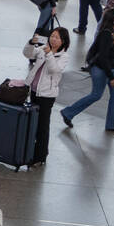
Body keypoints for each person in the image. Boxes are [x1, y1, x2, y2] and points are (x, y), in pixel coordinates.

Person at [61, 7, 114, 134]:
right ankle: (68, 112)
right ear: (112, 20)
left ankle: (112, 123)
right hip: (101, 68)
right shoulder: (106, 34)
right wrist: (111, 76)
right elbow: (102, 58)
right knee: (96, 95)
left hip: (112, 66)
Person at [21, 26, 71, 166]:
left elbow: (54, 69)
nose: (53, 39)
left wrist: (49, 54)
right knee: (33, 123)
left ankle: (40, 155)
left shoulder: (64, 56)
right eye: (52, 36)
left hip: (47, 95)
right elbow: (27, 54)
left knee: (42, 126)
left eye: (57, 38)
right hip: (35, 91)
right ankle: (32, 151)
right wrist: (31, 42)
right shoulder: (43, 48)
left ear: (63, 41)